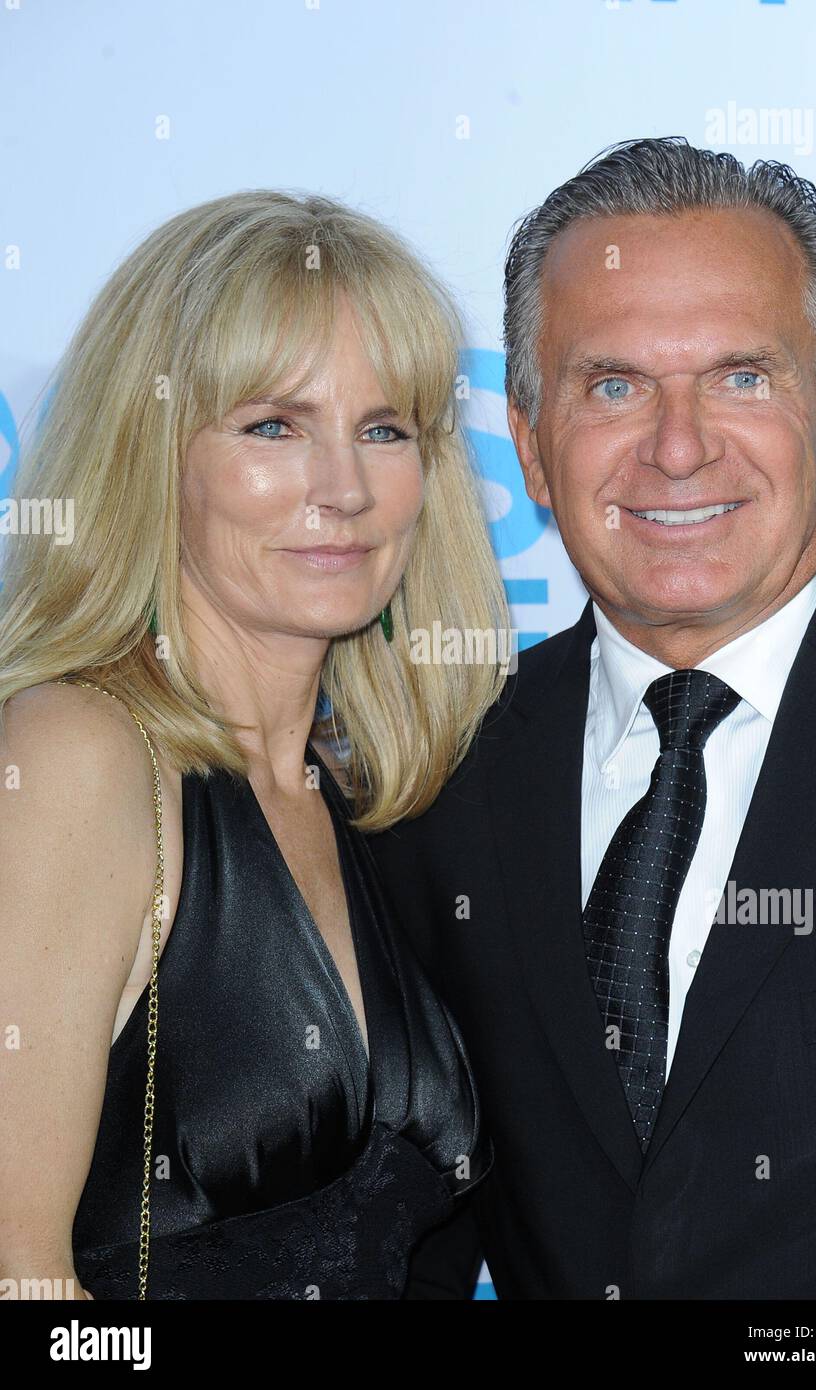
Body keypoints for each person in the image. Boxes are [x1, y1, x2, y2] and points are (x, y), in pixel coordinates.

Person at [369, 136, 816, 1299]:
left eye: (740, 376)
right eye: (612, 385)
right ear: (528, 442)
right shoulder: (436, 781)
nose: (677, 449)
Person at [0, 189, 508, 1300]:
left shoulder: (367, 796)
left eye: (384, 430)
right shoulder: (79, 755)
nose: (344, 489)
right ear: (151, 453)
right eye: (273, 426)